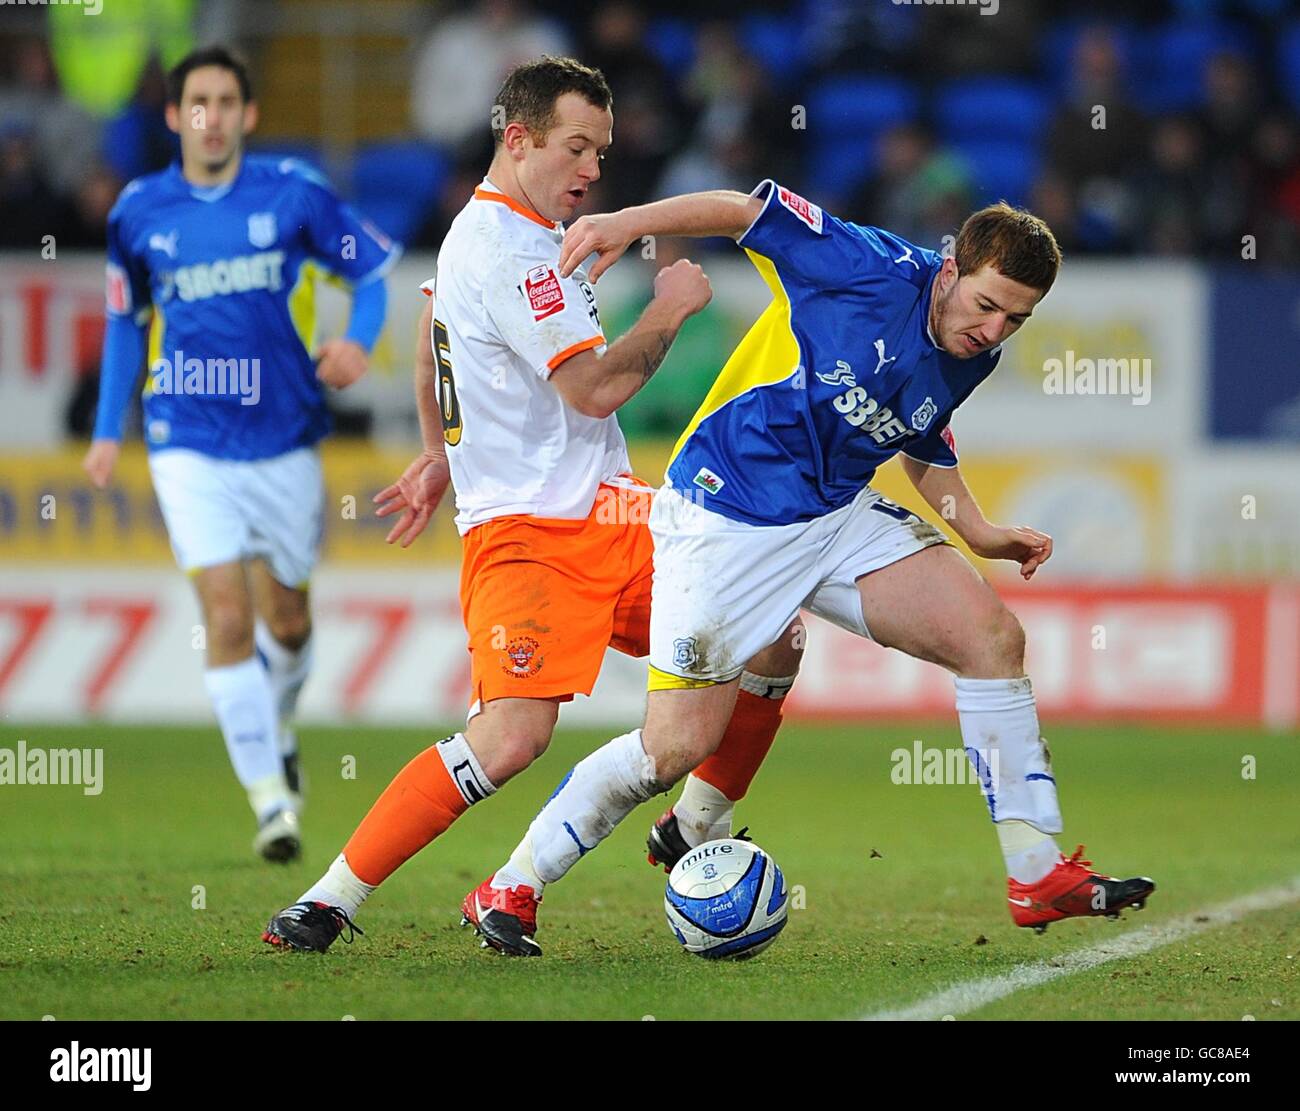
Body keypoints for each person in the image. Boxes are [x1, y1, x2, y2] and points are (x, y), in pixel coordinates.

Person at [469, 179, 1156, 946]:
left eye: (1015, 320)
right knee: (672, 747)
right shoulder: (861, 263)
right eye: (987, 304)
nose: (993, 329)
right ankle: (513, 883)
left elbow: (920, 437)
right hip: (726, 514)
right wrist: (626, 220)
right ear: (953, 267)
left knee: (991, 638)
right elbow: (743, 211)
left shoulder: (972, 349)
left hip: (833, 514)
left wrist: (982, 530)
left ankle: (1035, 873)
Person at [262, 57, 799, 957]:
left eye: (602, 150)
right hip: (530, 537)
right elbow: (593, 389)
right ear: (519, 139)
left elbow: (432, 332)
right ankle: (328, 897)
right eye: (576, 147)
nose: (592, 170)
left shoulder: (496, 233)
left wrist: (438, 455)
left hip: (618, 515)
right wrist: (671, 306)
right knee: (512, 736)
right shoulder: (513, 252)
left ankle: (696, 825)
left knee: (773, 627)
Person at [83, 46, 398, 862]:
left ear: (248, 115)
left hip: (284, 438)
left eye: (226, 101)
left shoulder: (293, 191)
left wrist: (359, 344)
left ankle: (280, 718)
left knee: (286, 619)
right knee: (226, 613)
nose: (211, 116)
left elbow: (370, 277)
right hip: (183, 437)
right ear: (173, 115)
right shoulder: (139, 210)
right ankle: (271, 804)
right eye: (197, 102)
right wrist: (107, 431)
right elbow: (126, 320)